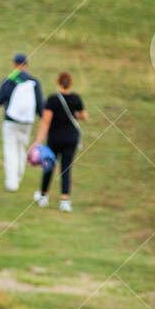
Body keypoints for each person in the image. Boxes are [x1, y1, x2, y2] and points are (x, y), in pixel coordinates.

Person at [33, 72, 87, 212]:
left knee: (49, 165)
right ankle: (65, 201)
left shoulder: (52, 100)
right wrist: (75, 114)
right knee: (66, 168)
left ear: (58, 82)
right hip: (71, 138)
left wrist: (38, 141)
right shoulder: (76, 98)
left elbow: (45, 122)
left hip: (55, 138)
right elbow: (84, 116)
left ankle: (43, 196)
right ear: (70, 83)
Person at [0, 52, 42, 192]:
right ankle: (19, 175)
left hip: (11, 121)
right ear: (26, 65)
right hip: (27, 123)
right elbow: (40, 106)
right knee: (21, 148)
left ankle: (12, 182)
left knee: (10, 150)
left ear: (14, 64)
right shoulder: (34, 82)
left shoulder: (10, 80)